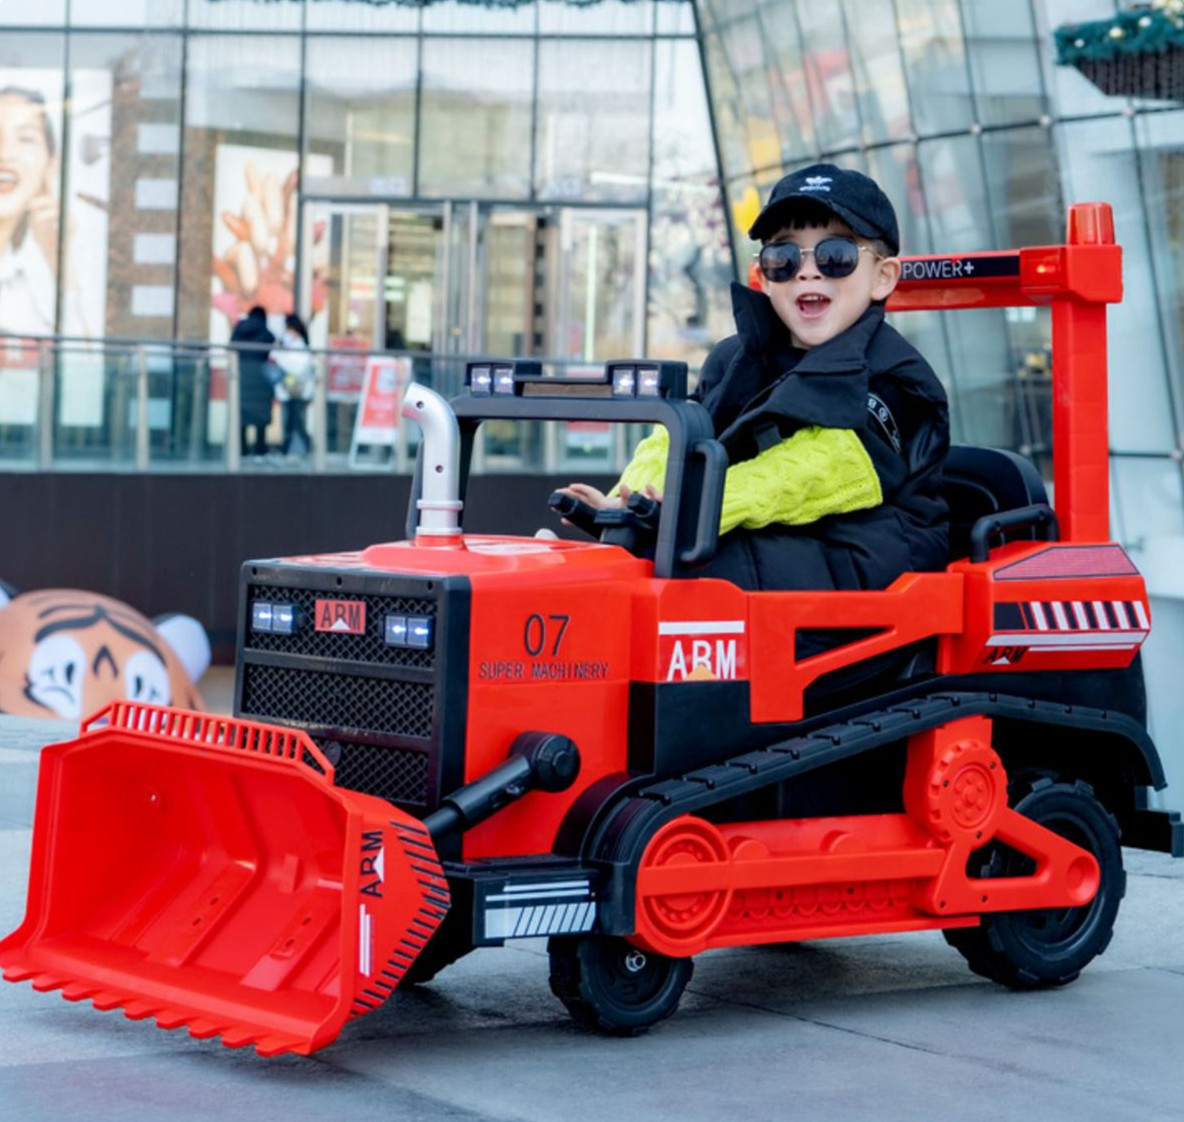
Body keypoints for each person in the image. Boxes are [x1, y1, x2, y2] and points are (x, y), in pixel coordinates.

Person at [563, 163, 949, 595]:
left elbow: (809, 472)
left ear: (883, 277)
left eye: (835, 256)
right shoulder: (733, 359)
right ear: (764, 277)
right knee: (648, 557)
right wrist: (621, 506)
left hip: (871, 562)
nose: (807, 272)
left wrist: (686, 510)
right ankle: (565, 583)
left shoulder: (898, 378)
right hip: (775, 537)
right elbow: (675, 440)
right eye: (783, 257)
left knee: (695, 571)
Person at [0, 87, 61, 336]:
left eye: (25, 139)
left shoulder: (33, 280)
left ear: (51, 166)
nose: (5, 153)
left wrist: (59, 261)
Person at [230, 305, 275, 459]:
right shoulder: (266, 332)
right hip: (260, 377)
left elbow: (231, 348)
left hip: (240, 376)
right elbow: (270, 344)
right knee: (260, 416)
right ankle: (260, 449)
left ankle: (241, 448)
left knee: (241, 414)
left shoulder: (238, 329)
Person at [273, 312, 314, 458]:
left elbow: (298, 368)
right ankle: (287, 449)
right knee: (288, 421)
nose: (286, 333)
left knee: (297, 421)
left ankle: (303, 446)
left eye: (288, 329)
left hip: (299, 390)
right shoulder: (285, 345)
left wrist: (280, 358)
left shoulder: (301, 347)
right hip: (287, 390)